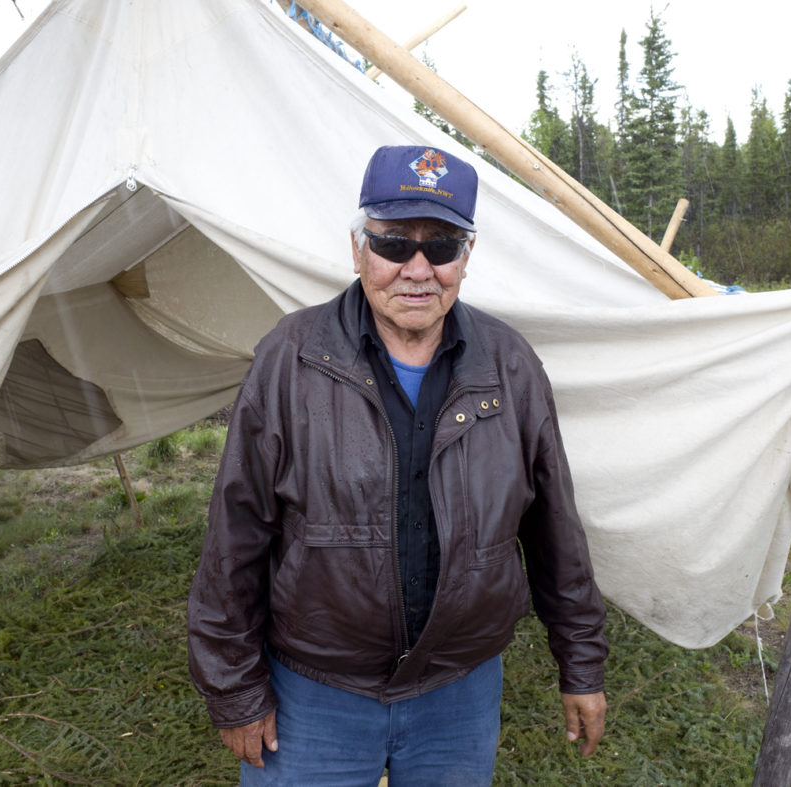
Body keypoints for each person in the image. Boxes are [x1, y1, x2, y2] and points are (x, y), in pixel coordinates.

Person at [186, 144, 608, 785]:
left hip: (458, 689)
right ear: (358, 249)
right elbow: (236, 535)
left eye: (441, 247)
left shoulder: (509, 364)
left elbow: (554, 532)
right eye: (393, 245)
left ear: (466, 258)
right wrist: (235, 689)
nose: (417, 269)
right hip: (315, 688)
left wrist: (580, 663)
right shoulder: (291, 357)